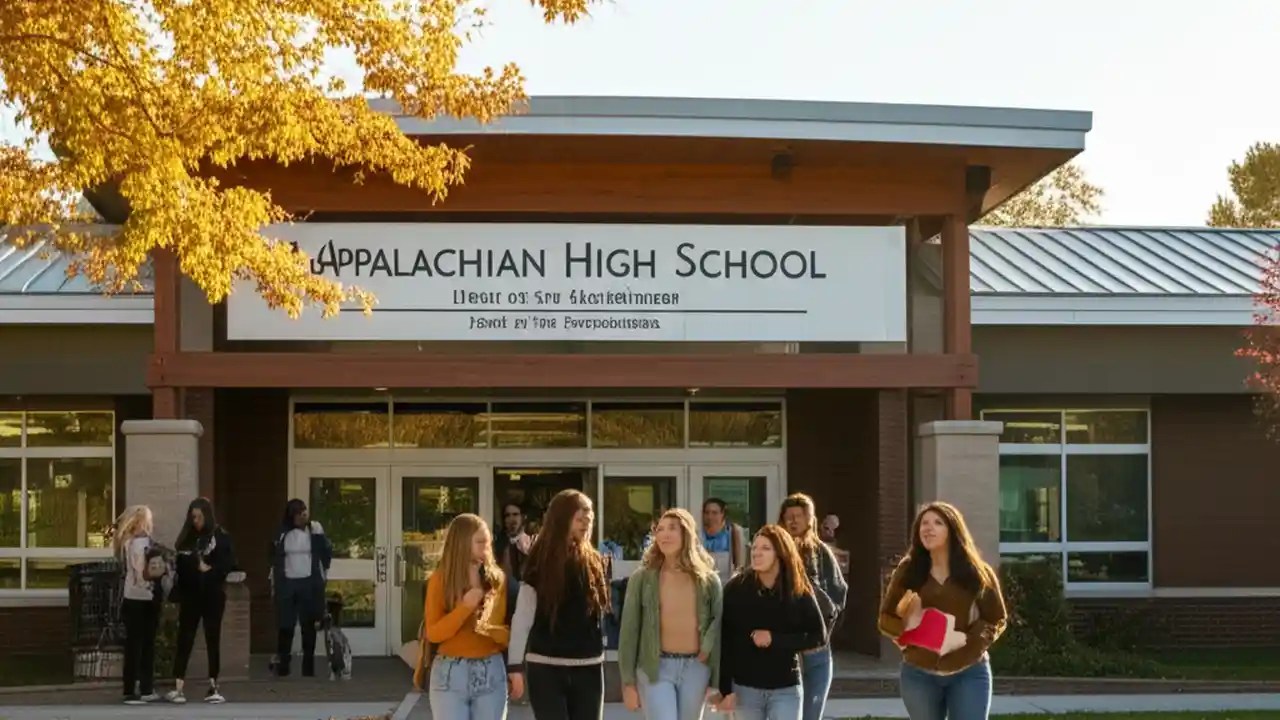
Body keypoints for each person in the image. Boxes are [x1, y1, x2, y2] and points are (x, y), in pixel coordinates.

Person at [878, 501, 1008, 720]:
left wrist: (969, 643)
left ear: (953, 530)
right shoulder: (908, 570)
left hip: (969, 672)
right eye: (924, 524)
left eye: (937, 523)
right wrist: (909, 631)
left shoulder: (976, 571)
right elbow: (885, 618)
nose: (928, 528)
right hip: (918, 674)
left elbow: (996, 618)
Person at [508, 489, 610, 720]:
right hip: (546, 665)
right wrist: (515, 665)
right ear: (562, 519)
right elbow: (523, 615)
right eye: (579, 518)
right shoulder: (539, 560)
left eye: (589, 518)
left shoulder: (594, 561)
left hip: (589, 666)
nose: (585, 523)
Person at [618, 508, 723, 720]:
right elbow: (629, 631)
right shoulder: (643, 578)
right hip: (656, 667)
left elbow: (717, 623)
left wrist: (714, 673)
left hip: (696, 668)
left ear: (687, 534)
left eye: (672, 529)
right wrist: (628, 682)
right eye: (660, 529)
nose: (664, 534)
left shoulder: (708, 580)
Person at [717, 525, 825, 720]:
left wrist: (774, 640)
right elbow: (724, 640)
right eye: (755, 548)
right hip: (744, 689)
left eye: (765, 548)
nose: (757, 553)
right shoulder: (736, 588)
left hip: (785, 689)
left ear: (781, 553)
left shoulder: (798, 590)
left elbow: (818, 636)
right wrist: (725, 689)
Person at [423, 513, 513, 720]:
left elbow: (507, 633)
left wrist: (492, 630)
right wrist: (464, 608)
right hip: (450, 672)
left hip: (490, 669)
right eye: (480, 542)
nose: (486, 548)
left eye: (488, 542)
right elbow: (434, 633)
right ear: (462, 543)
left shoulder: (496, 579)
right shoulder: (440, 580)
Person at [779, 493, 848, 720]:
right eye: (788, 516)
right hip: (784, 648)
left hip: (817, 649)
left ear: (810, 519)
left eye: (798, 516)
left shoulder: (821, 552)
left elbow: (838, 594)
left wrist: (825, 628)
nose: (793, 521)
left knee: (811, 714)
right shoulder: (775, 551)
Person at [166, 498, 236, 704]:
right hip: (191, 595)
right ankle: (178, 686)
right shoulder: (188, 538)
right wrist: (195, 568)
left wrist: (209, 571)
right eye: (193, 517)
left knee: (212, 638)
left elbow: (228, 564)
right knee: (185, 638)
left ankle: (214, 685)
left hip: (213, 595)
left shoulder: (221, 538)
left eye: (199, 517)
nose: (196, 521)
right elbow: (181, 564)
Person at [268, 498, 333, 677]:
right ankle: (283, 663)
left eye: (304, 512)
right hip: (288, 583)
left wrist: (320, 536)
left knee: (308, 626)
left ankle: (308, 666)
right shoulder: (282, 533)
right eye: (298, 513)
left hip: (309, 583)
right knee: (286, 625)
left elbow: (326, 553)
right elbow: (273, 556)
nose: (303, 516)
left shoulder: (314, 530)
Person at [114, 505, 162, 705]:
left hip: (131, 598)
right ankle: (143, 688)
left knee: (134, 645)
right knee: (144, 645)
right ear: (143, 522)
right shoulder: (141, 544)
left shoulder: (127, 543)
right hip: (143, 598)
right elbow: (143, 572)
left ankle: (133, 687)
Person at [494, 501, 532, 622]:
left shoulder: (533, 542)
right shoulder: (498, 544)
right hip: (502, 599)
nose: (511, 519)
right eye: (508, 515)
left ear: (523, 517)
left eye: (515, 514)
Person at [700, 498, 748, 584]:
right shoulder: (698, 535)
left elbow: (740, 565)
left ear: (722, 514)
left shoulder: (733, 533)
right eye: (707, 513)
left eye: (714, 513)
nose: (710, 517)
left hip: (727, 586)